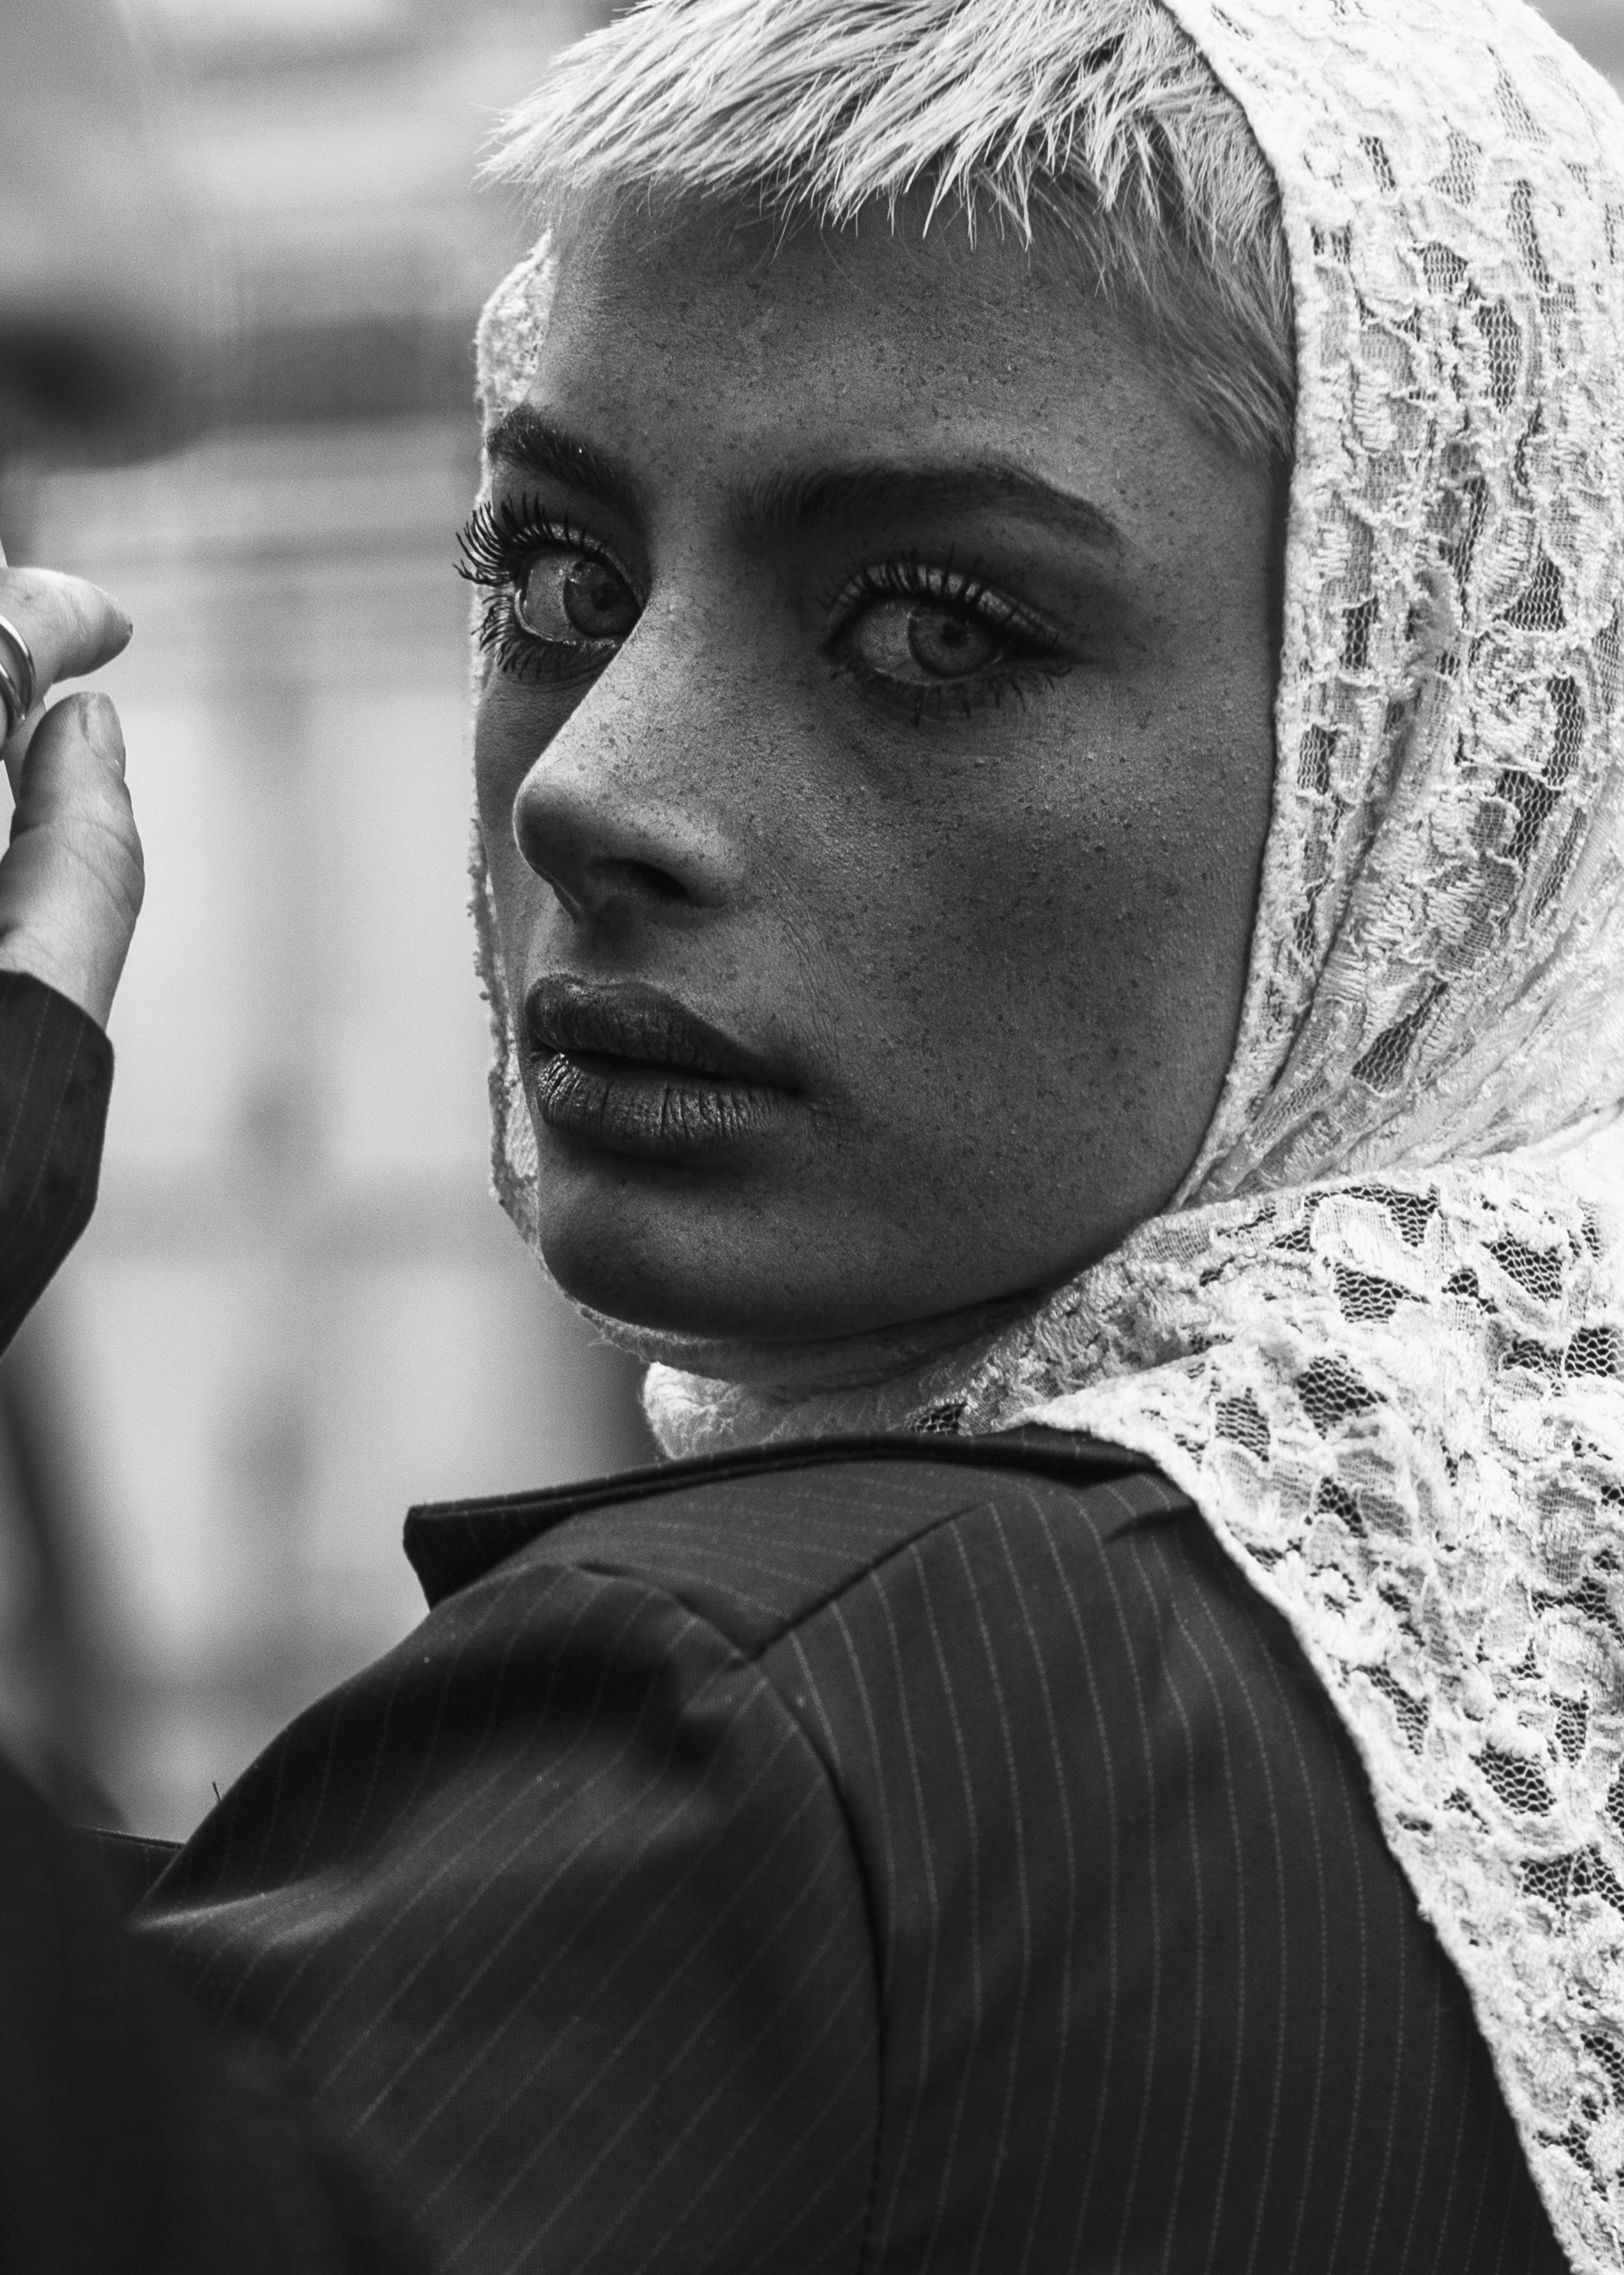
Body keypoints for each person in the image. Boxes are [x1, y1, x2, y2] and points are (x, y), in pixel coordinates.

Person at [1, 0, 1621, 2267]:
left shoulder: (766, 1726)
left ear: (1435, 754)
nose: (591, 783)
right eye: (560, 578)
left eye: (934, 629)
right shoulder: (1510, 1602)